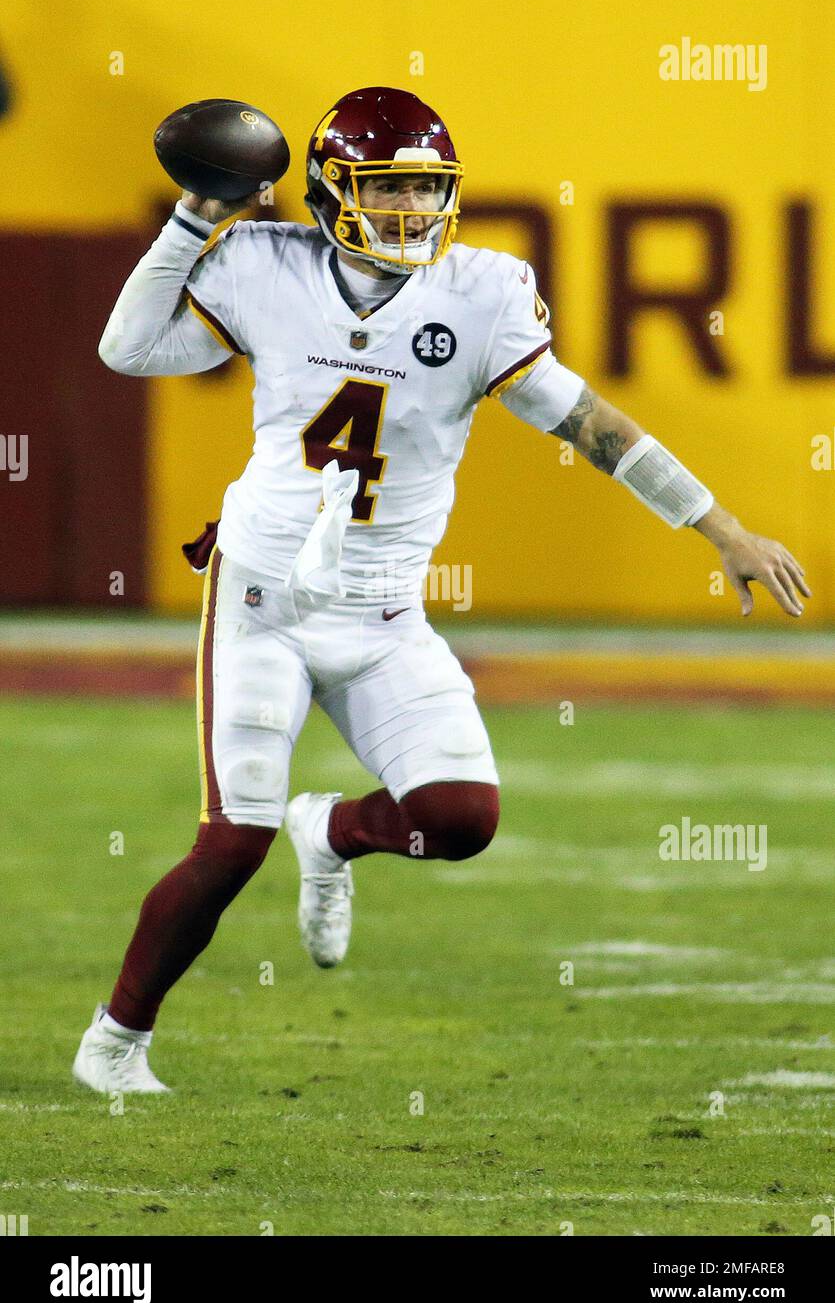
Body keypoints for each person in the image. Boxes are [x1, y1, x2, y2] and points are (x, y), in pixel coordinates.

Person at [73, 86, 810, 1093]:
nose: (416, 208)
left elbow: (587, 424)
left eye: (429, 187)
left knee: (461, 818)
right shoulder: (263, 265)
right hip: (264, 604)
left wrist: (719, 527)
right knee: (231, 842)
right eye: (392, 187)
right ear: (335, 192)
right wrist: (197, 218)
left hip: (384, 616)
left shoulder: (481, 293)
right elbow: (128, 348)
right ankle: (115, 1043)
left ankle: (331, 831)